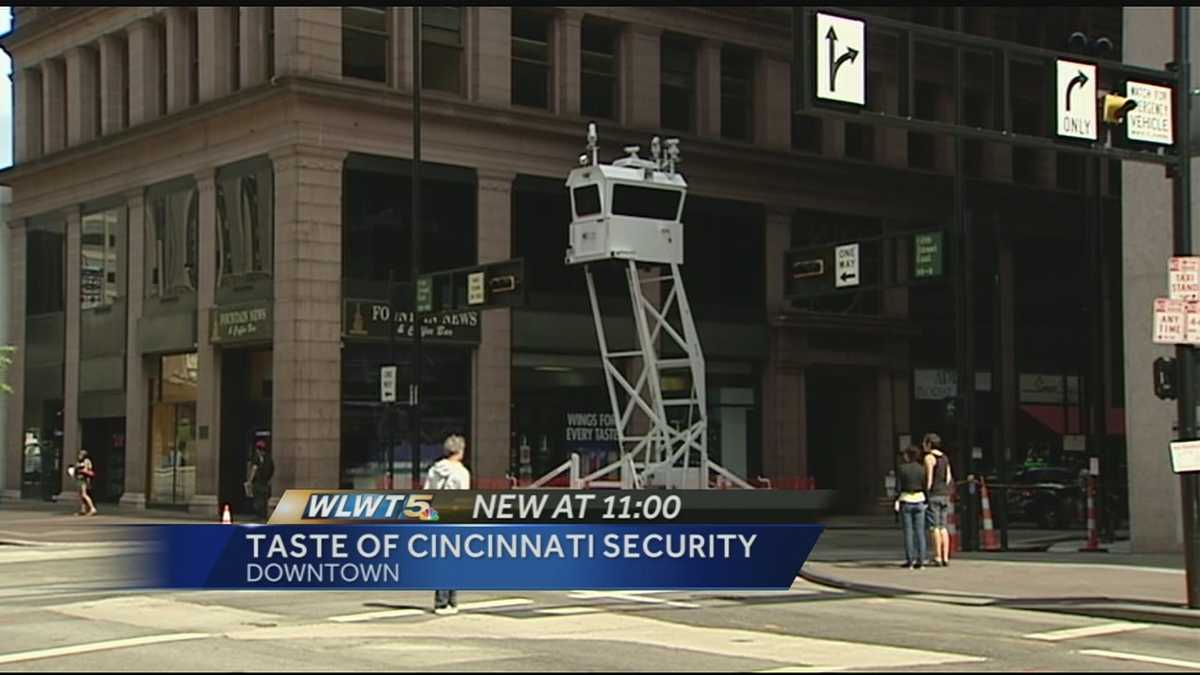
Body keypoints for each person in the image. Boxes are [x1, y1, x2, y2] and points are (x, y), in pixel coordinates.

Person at [424, 434, 471, 615]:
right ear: (459, 451)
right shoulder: (462, 473)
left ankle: (441, 600)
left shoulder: (434, 470)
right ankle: (450, 601)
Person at [894, 446, 928, 569]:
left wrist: (896, 498)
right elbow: (925, 485)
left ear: (907, 455)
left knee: (908, 532)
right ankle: (922, 560)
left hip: (906, 499)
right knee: (920, 532)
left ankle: (910, 560)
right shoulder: (922, 469)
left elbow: (898, 487)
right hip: (920, 499)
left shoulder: (902, 468)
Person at [923, 433, 954, 567]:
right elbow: (948, 477)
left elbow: (929, 478)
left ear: (929, 444)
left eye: (925, 443)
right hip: (944, 494)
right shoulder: (945, 458)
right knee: (943, 526)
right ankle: (946, 556)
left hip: (934, 494)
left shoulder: (929, 457)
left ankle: (937, 556)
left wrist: (927, 491)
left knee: (934, 527)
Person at [246, 440, 274, 521]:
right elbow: (272, 469)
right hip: (265, 482)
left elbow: (254, 470)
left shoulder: (257, 458)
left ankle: (260, 516)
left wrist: (250, 481)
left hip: (259, 482)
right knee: (264, 499)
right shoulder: (269, 458)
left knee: (259, 499)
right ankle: (263, 516)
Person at [73, 450, 97, 516]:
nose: (79, 456)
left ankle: (92, 508)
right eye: (79, 454)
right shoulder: (78, 462)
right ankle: (83, 510)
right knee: (81, 495)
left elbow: (89, 471)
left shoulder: (86, 461)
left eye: (81, 455)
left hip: (84, 479)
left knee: (84, 494)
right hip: (79, 479)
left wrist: (83, 471)